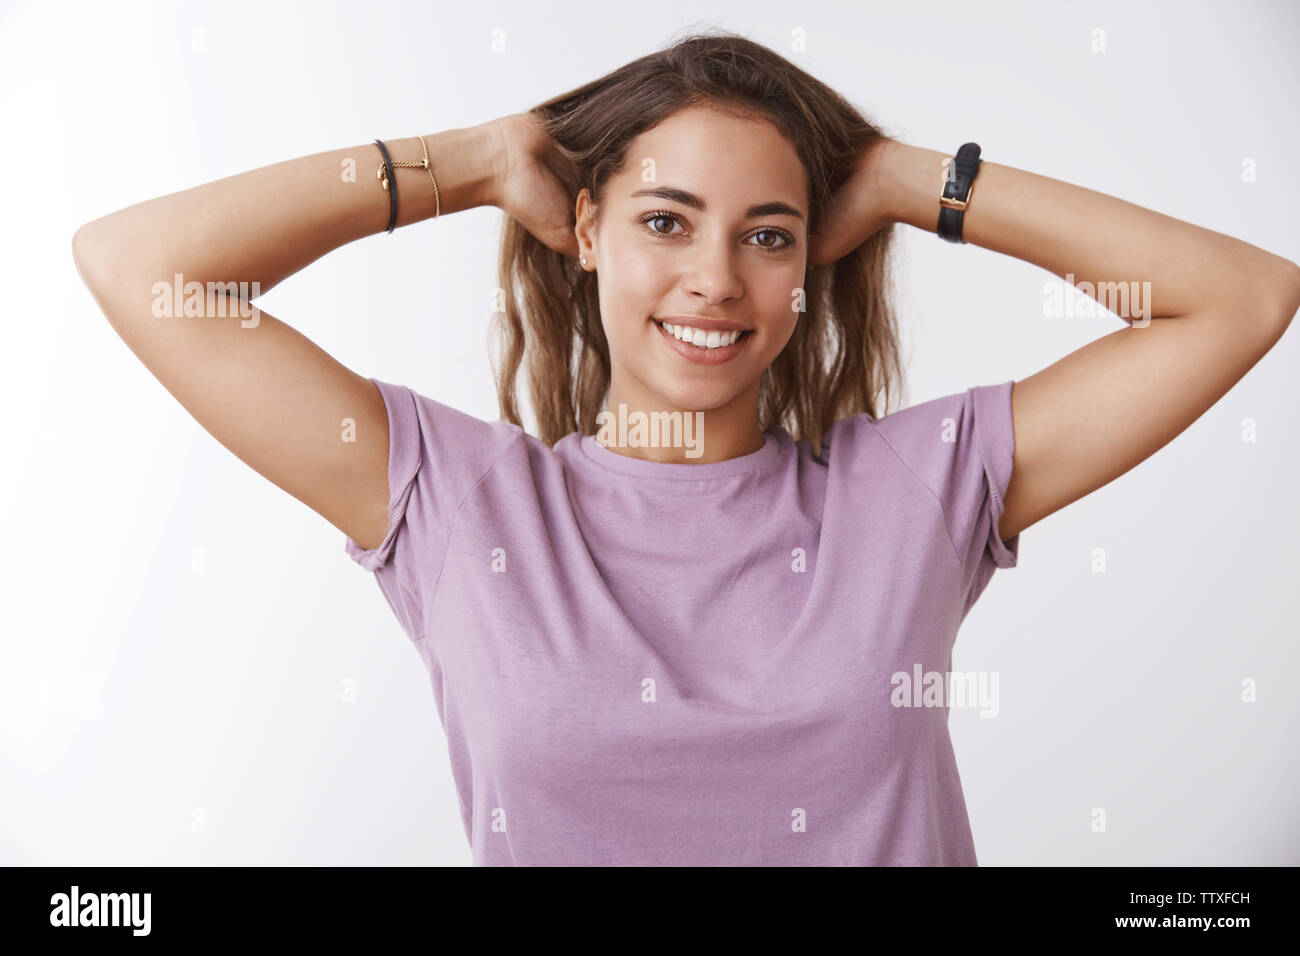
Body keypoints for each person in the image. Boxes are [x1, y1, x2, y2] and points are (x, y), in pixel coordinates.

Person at [71, 31, 1299, 866]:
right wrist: (474, 161)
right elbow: (144, 269)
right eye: (667, 221)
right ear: (588, 228)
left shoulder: (923, 483)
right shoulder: (451, 499)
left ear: (814, 263)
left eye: (769, 235)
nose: (715, 280)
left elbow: (1239, 297)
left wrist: (908, 181)